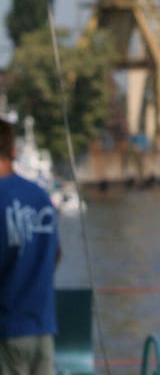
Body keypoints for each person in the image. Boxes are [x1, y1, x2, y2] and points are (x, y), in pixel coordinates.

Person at [0, 120, 60, 374]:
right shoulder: (40, 196)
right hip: (43, 328)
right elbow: (56, 253)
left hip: (7, 330)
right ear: (14, 152)